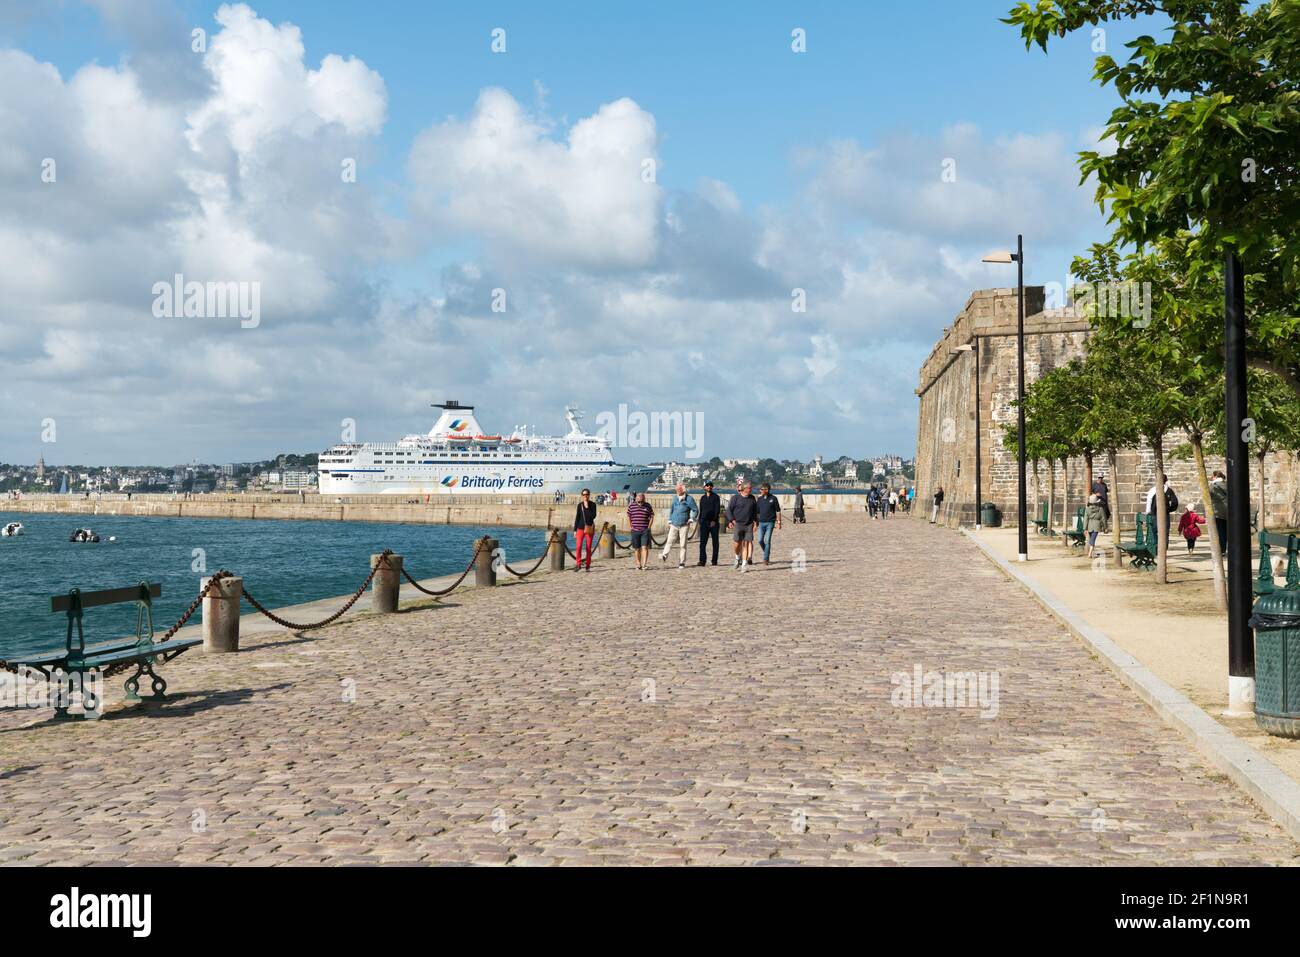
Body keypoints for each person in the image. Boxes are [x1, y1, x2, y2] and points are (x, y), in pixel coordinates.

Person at [660, 483, 698, 569]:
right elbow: (672, 509)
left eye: (678, 489)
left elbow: (695, 510)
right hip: (674, 523)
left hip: (684, 524)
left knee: (683, 544)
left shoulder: (689, 499)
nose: (676, 490)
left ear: (682, 490)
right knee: (669, 540)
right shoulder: (675, 498)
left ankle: (682, 562)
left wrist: (692, 519)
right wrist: (670, 520)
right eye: (676, 489)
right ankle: (664, 555)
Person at [725, 480, 759, 570]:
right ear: (744, 489)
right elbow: (729, 510)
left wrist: (756, 523)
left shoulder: (752, 498)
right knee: (737, 544)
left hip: (748, 525)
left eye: (750, 488)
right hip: (738, 524)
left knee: (746, 543)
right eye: (748, 488)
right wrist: (731, 520)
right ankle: (737, 557)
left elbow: (755, 512)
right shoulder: (735, 498)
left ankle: (744, 564)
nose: (750, 489)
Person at [1146, 474, 1177, 550]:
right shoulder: (1169, 491)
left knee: (1155, 532)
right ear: (1166, 480)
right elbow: (1175, 503)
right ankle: (1163, 549)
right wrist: (1168, 509)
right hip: (1164, 515)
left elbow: (1149, 502)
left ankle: (1157, 549)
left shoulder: (1153, 490)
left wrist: (1148, 512)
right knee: (1165, 533)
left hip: (1154, 515)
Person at [755, 482, 783, 565]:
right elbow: (757, 512)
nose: (762, 491)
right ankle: (766, 552)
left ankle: (766, 558)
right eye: (761, 489)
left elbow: (778, 511)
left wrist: (779, 522)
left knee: (767, 541)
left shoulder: (773, 498)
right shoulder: (759, 499)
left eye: (764, 489)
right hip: (761, 523)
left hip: (770, 523)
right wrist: (755, 523)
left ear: (767, 490)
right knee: (760, 540)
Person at [627, 492, 654, 570]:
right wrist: (630, 526)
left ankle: (644, 564)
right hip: (635, 530)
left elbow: (652, 516)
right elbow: (629, 516)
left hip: (645, 530)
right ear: (636, 499)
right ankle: (638, 563)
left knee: (644, 547)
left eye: (642, 501)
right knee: (637, 548)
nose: (641, 503)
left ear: (644, 499)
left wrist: (649, 527)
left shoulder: (648, 506)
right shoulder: (631, 506)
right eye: (639, 501)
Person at [697, 481, 722, 566]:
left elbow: (717, 510)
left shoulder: (716, 497)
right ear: (704, 487)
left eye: (710, 486)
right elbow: (701, 510)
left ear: (712, 487)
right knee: (702, 543)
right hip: (704, 522)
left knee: (715, 543)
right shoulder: (703, 498)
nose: (709, 487)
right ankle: (702, 560)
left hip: (713, 523)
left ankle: (714, 561)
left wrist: (714, 521)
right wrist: (700, 520)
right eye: (707, 486)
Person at [572, 488, 597, 572]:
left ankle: (588, 565)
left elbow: (593, 516)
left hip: (589, 529)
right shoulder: (579, 505)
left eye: (587, 494)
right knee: (578, 547)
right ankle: (578, 564)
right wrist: (575, 530)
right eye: (583, 494)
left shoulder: (593, 505)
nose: (585, 496)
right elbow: (577, 517)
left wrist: (587, 507)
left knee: (588, 548)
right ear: (582, 496)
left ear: (589, 495)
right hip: (580, 529)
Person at [1209, 470, 1228, 552]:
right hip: (1228, 511)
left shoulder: (1213, 486)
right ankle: (1226, 548)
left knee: (1220, 531)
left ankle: (1222, 549)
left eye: (1212, 476)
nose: (1212, 478)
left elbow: (1208, 496)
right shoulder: (1227, 484)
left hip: (1218, 512)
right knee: (1226, 531)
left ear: (1215, 477)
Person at [1084, 493, 1106, 559]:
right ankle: (1090, 554)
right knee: (1092, 540)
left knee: (1092, 539)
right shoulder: (1100, 509)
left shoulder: (1087, 509)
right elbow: (1103, 519)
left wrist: (1085, 528)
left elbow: (1085, 519)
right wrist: (1105, 527)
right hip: (1097, 525)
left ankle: (1091, 553)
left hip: (1090, 525)